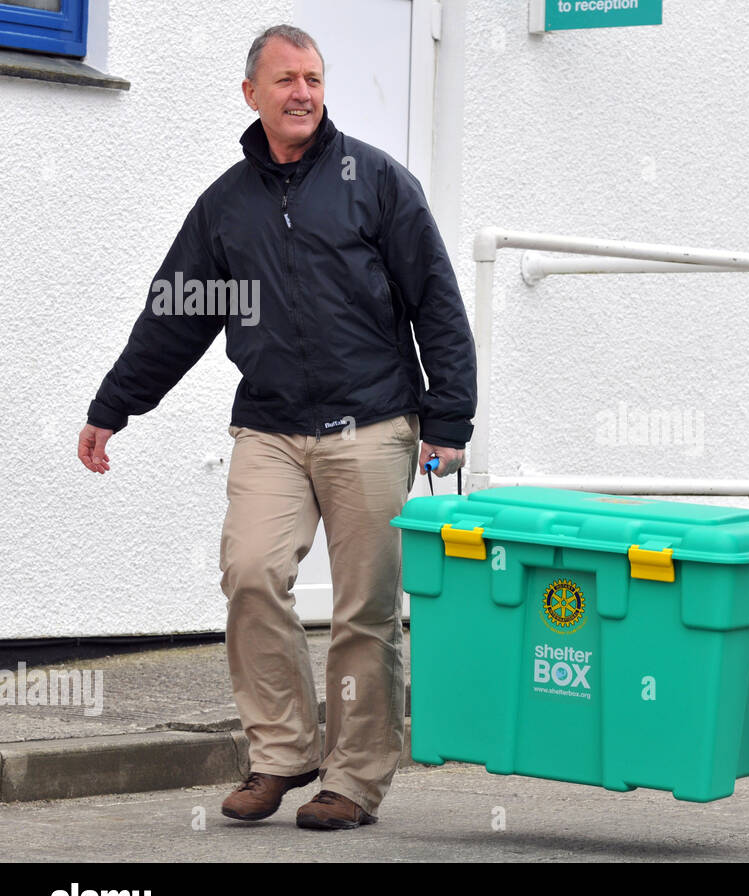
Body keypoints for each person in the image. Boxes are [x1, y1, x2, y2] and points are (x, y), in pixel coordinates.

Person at [77, 25, 476, 831]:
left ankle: (354, 779)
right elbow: (177, 317)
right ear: (251, 93)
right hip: (269, 427)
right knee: (251, 573)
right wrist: (112, 405)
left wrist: (449, 415)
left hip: (372, 423)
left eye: (314, 77)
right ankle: (282, 751)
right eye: (286, 78)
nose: (302, 92)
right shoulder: (227, 204)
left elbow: (435, 298)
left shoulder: (376, 183)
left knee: (365, 608)